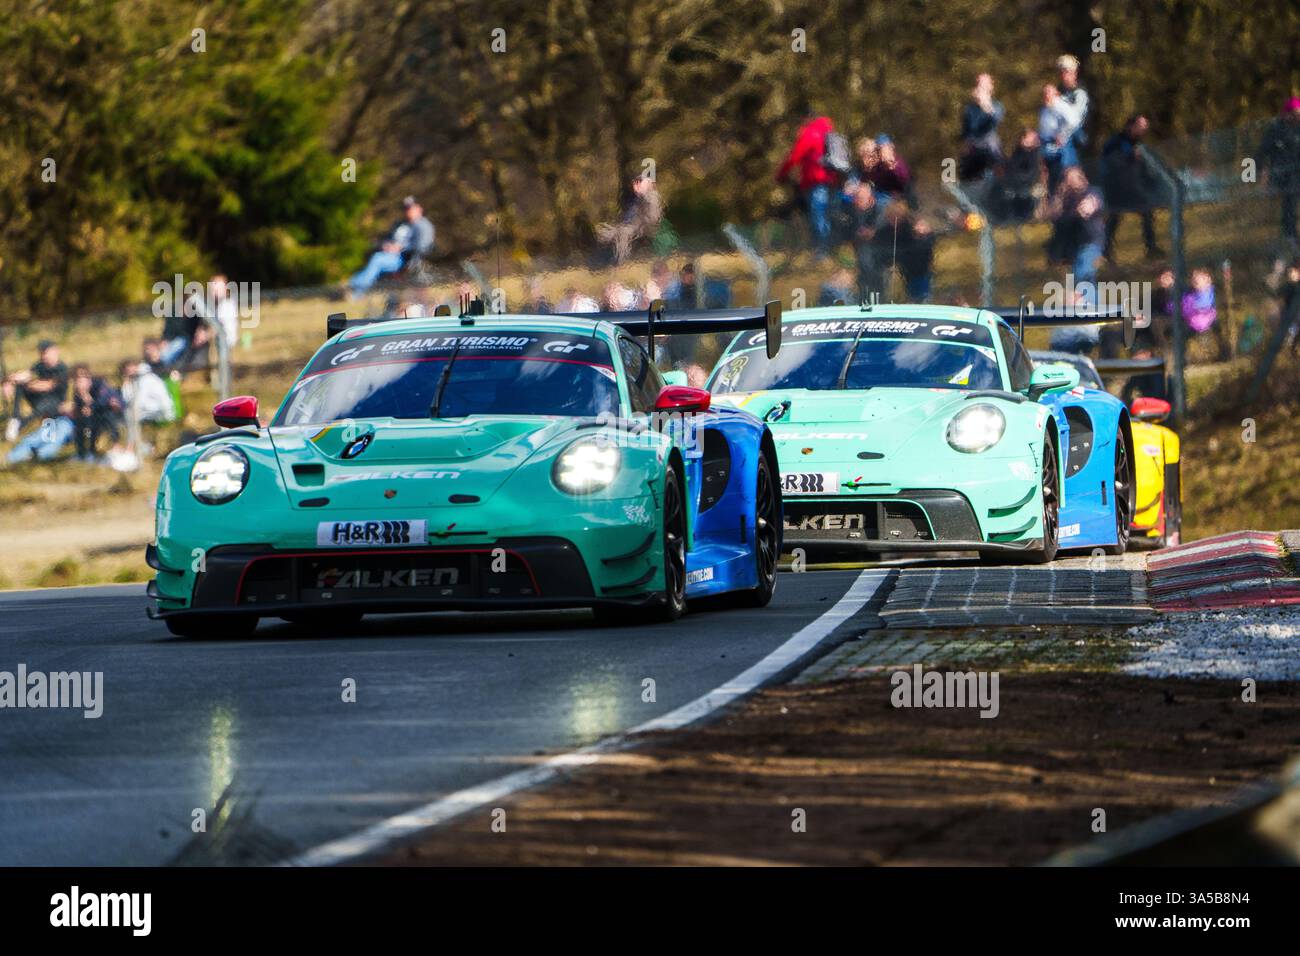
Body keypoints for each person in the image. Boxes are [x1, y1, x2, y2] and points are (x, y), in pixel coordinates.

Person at [775, 112, 840, 257]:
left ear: (806, 119)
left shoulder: (811, 132)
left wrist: (781, 174)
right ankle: (827, 249)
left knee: (817, 215)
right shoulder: (828, 130)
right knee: (824, 214)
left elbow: (794, 156)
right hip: (831, 181)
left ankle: (822, 251)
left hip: (816, 181)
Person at [1101, 114, 1161, 260]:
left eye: (1145, 127)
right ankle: (1106, 250)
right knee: (1114, 218)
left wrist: (1151, 181)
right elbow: (1110, 163)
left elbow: (1142, 168)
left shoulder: (1138, 144)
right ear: (1130, 126)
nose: (1143, 130)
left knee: (1147, 213)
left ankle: (1151, 247)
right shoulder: (1116, 142)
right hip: (1117, 189)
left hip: (1134, 188)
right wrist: (1129, 157)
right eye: (1140, 126)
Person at [348, 196, 436, 295]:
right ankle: (352, 288)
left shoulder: (424, 226)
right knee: (374, 259)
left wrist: (401, 248)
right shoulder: (400, 224)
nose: (408, 211)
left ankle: (353, 287)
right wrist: (385, 245)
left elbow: (423, 247)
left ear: (419, 208)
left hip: (407, 259)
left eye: (410, 208)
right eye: (406, 208)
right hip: (389, 255)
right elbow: (386, 238)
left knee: (377, 260)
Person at [3, 340, 69, 441]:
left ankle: (20, 424)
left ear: (55, 351)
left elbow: (47, 386)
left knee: (43, 406)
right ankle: (15, 419)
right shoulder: (40, 365)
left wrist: (28, 383)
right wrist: (8, 381)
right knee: (20, 385)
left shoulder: (62, 369)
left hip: (56, 402)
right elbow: (26, 374)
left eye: (46, 352)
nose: (44, 356)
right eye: (42, 353)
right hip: (41, 398)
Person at [1257, 97, 1300, 245]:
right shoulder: (1275, 129)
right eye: (1294, 114)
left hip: (1295, 175)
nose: (1297, 117)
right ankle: (1289, 238)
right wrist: (1250, 177)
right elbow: (1261, 153)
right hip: (1283, 178)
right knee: (1288, 208)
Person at [596, 174, 663, 264]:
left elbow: (652, 217)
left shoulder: (651, 197)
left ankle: (622, 261)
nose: (635, 187)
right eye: (635, 184)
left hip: (645, 226)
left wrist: (643, 193)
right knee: (604, 230)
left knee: (623, 233)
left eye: (638, 184)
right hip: (634, 224)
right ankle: (603, 258)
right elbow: (629, 216)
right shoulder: (637, 200)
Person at [67, 365, 123, 463]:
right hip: (94, 416)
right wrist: (83, 397)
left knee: (106, 416)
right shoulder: (77, 391)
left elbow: (104, 401)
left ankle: (114, 446)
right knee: (80, 423)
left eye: (82, 377)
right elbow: (80, 408)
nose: (78, 381)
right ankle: (82, 453)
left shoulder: (99, 385)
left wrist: (90, 405)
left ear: (89, 378)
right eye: (76, 378)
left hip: (112, 414)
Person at [959, 73, 1005, 181]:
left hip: (989, 148)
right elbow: (967, 130)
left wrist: (985, 104)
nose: (980, 87)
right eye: (979, 84)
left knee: (995, 169)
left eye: (984, 84)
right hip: (973, 147)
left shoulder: (997, 106)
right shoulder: (969, 108)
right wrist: (967, 142)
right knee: (966, 174)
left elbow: (993, 123)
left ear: (991, 87)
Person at [1039, 84, 1083, 192]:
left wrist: (1062, 134)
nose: (1046, 95)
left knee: (1065, 172)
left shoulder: (1061, 106)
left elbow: (1074, 121)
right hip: (1047, 145)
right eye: (1045, 93)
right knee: (1049, 174)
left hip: (1061, 145)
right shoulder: (1044, 109)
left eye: (1049, 92)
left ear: (1056, 94)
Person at [998, 128, 1046, 223]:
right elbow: (1011, 166)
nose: (1024, 139)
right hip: (1014, 185)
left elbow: (1031, 173)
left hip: (1024, 188)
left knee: (1020, 197)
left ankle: (1022, 219)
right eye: (1025, 136)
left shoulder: (1033, 154)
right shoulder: (1019, 150)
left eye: (1029, 138)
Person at [849, 183, 887, 303]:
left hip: (880, 251)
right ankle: (863, 300)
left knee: (876, 274)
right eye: (856, 198)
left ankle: (879, 301)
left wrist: (872, 232)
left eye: (861, 198)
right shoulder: (850, 211)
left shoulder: (880, 210)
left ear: (870, 198)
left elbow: (883, 230)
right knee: (863, 272)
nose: (857, 201)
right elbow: (845, 230)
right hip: (860, 251)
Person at [119, 359, 176, 425]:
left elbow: (138, 403)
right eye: (126, 370)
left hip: (158, 414)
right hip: (148, 414)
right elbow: (129, 401)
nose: (129, 371)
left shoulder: (148, 379)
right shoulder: (135, 381)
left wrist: (169, 415)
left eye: (130, 368)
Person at [1056, 55, 1090, 156]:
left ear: (1075, 73)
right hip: (1060, 139)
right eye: (1061, 72)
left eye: (1067, 71)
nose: (1063, 75)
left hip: (1077, 139)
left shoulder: (1080, 93)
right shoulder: (1059, 92)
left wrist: (1062, 135)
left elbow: (1075, 120)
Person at [867, 135, 915, 207]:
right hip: (882, 196)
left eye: (884, 148)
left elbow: (906, 181)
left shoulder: (899, 164)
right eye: (879, 150)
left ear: (891, 147)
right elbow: (875, 181)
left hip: (896, 198)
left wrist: (893, 168)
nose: (882, 152)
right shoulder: (878, 165)